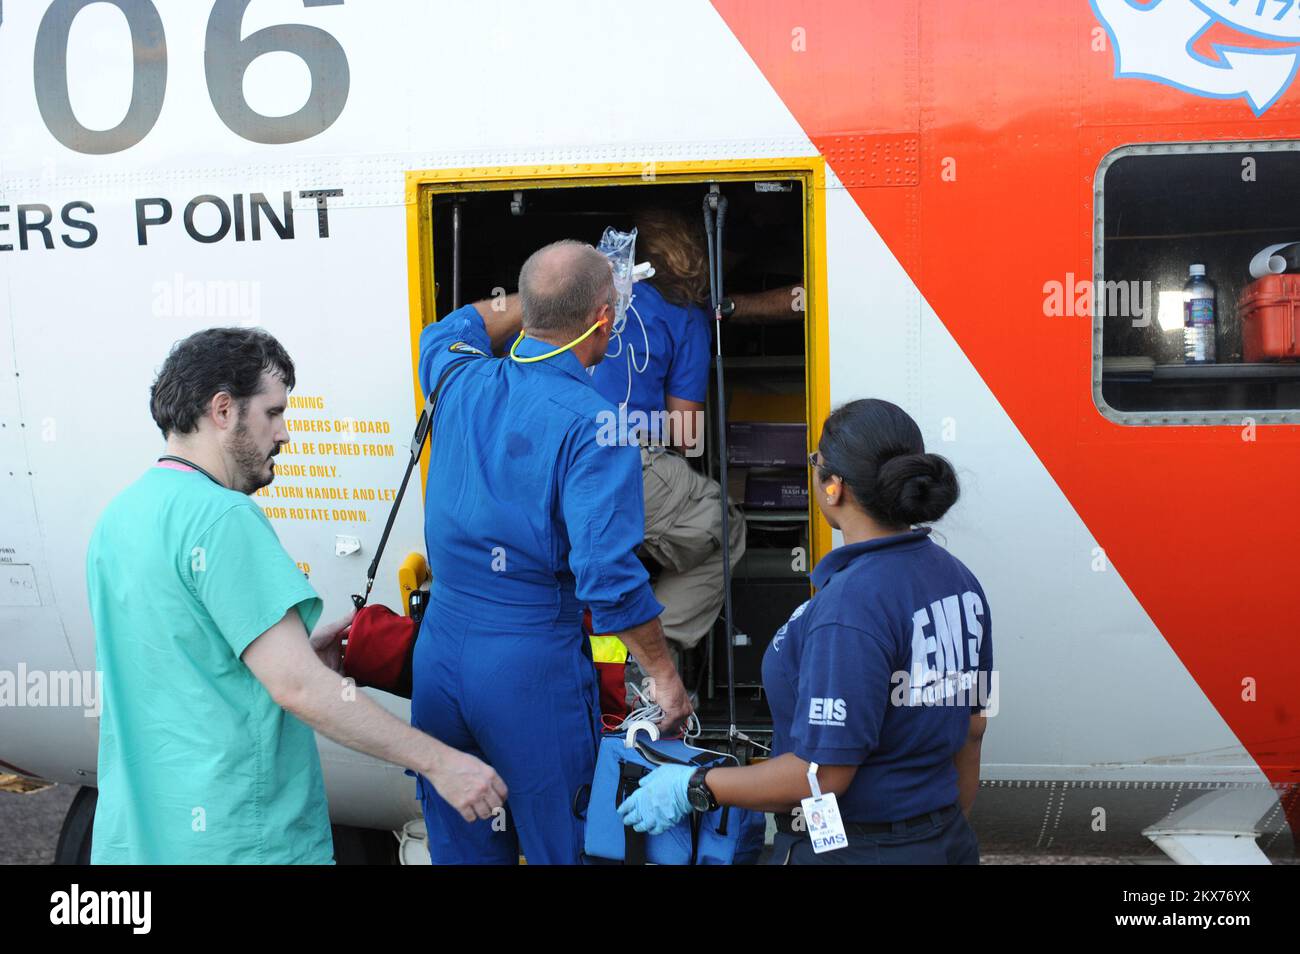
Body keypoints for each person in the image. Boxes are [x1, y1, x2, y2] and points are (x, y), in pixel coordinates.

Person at [86, 328, 506, 864]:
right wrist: (442, 764)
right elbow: (299, 689)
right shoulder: (224, 518)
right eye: (273, 412)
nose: (284, 434)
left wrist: (294, 654)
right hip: (242, 842)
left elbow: (181, 666)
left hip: (142, 842)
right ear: (223, 409)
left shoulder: (121, 515)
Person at [616, 398, 993, 865]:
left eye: (816, 462)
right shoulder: (960, 582)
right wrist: (935, 835)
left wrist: (697, 786)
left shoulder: (851, 607)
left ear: (833, 487)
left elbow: (823, 775)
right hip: (946, 842)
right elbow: (973, 729)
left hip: (853, 850)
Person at [413, 239, 693, 865]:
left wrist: (541, 296)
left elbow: (455, 324)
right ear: (606, 318)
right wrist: (666, 681)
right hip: (529, 666)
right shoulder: (597, 424)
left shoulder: (457, 374)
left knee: (461, 844)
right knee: (563, 846)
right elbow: (611, 581)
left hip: (440, 654)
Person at [588, 208, 745, 654]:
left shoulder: (578, 299)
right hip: (624, 454)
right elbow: (685, 432)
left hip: (547, 454)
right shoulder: (685, 313)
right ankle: (645, 658)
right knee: (722, 528)